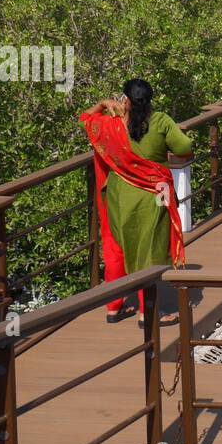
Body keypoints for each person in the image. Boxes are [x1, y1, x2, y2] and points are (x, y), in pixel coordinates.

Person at [80, 79, 192, 324]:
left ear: (125, 100)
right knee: (147, 250)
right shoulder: (160, 120)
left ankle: (113, 307)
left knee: (117, 247)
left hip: (119, 194)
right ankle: (147, 311)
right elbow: (184, 147)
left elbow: (86, 119)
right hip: (154, 194)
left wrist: (102, 103)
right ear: (150, 100)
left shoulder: (111, 124)